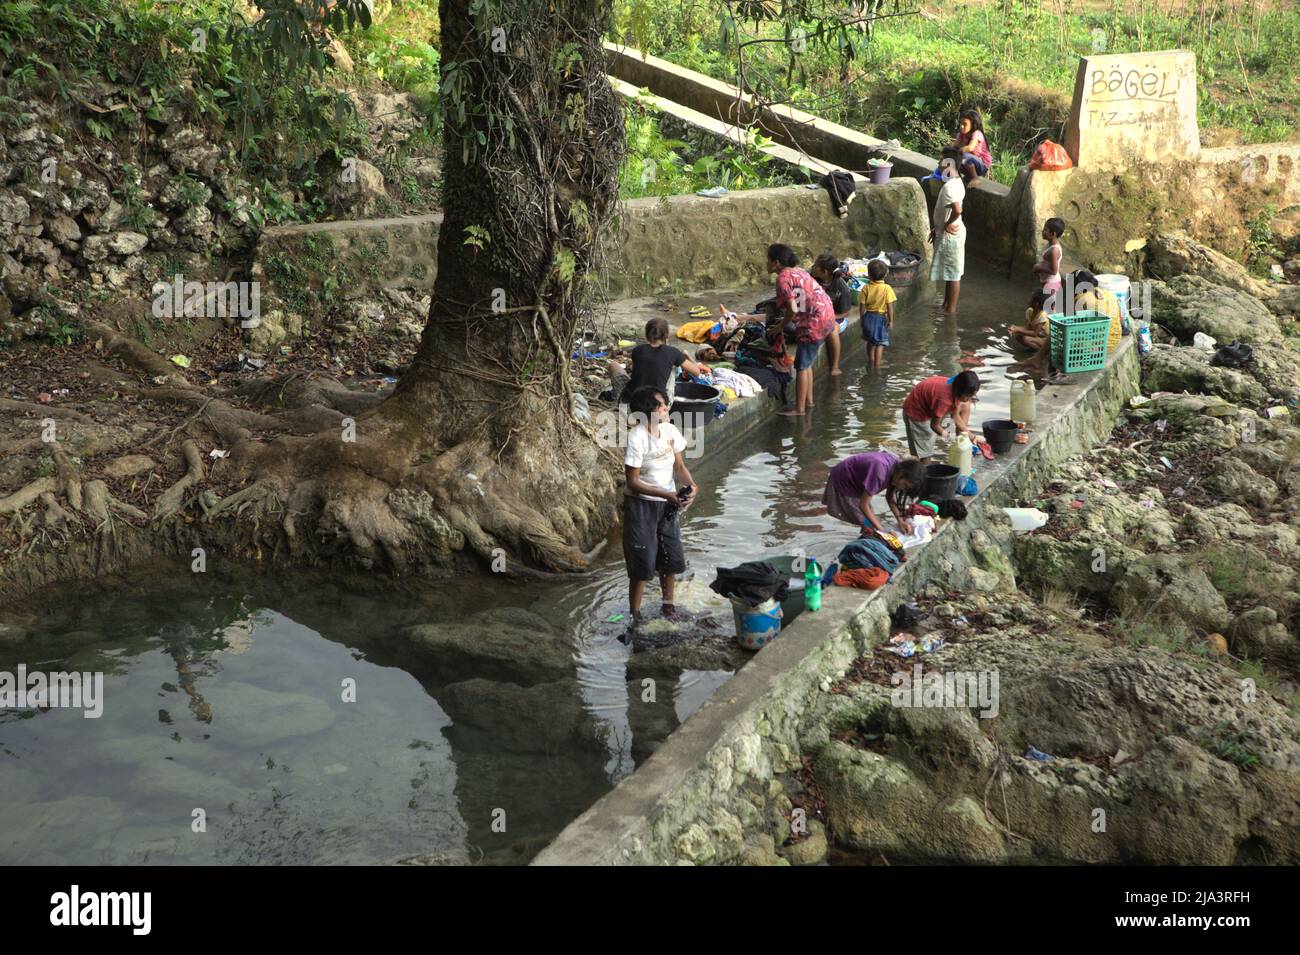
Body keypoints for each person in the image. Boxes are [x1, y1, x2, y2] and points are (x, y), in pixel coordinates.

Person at [622, 385, 698, 622]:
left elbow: (679, 467)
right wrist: (666, 495)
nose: (667, 408)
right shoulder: (636, 437)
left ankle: (668, 606)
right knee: (642, 562)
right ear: (648, 411)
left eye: (665, 404)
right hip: (642, 506)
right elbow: (632, 482)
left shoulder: (670, 431)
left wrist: (693, 486)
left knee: (671, 559)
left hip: (668, 503)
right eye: (661, 406)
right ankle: (635, 614)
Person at [767, 243, 836, 416]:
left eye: (768, 260)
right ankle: (809, 402)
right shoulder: (800, 271)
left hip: (814, 322)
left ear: (775, 263)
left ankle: (799, 410)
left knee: (801, 366)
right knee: (807, 363)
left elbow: (793, 309)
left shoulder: (782, 278)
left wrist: (780, 326)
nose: (766, 264)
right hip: (827, 316)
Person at [823, 451, 928, 536]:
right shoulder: (880, 472)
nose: (902, 489)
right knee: (865, 519)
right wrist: (883, 531)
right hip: (844, 480)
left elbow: (890, 498)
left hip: (857, 479)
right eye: (905, 486)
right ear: (901, 474)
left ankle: (868, 537)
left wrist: (900, 520)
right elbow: (863, 505)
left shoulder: (897, 470)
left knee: (870, 521)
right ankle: (868, 541)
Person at [619, 317, 710, 411]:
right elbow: (697, 372)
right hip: (657, 406)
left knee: (616, 366)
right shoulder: (673, 352)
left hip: (632, 401)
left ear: (647, 336)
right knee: (671, 366)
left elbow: (635, 371)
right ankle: (661, 408)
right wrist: (687, 356)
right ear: (666, 337)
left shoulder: (637, 350)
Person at [902, 370, 980, 460]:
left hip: (929, 405)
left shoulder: (956, 384)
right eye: (968, 396)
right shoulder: (944, 400)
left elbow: (955, 417)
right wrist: (950, 438)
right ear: (960, 391)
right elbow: (934, 425)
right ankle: (924, 470)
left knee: (964, 405)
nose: (970, 399)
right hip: (916, 412)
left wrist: (973, 438)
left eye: (972, 395)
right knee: (924, 453)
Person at [929, 148, 971, 317]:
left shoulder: (949, 188)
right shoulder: (956, 181)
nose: (938, 164)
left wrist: (946, 224)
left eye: (941, 161)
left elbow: (958, 210)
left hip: (951, 236)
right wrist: (938, 228)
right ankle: (947, 305)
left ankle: (950, 311)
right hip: (952, 232)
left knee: (953, 274)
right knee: (950, 272)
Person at [810, 252, 853, 377]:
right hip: (815, 315)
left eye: (816, 266)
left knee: (832, 329)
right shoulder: (811, 279)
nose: (813, 267)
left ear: (825, 272)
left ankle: (834, 366)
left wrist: (828, 317)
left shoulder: (840, 286)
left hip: (837, 318)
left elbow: (846, 312)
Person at [1070, 269, 1124, 355]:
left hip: (1094, 349)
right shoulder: (1110, 294)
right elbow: (1121, 320)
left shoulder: (1081, 299)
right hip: (1114, 343)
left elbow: (1075, 327)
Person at [858, 258, 897, 369]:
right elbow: (890, 306)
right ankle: (877, 365)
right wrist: (891, 320)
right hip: (880, 318)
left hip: (868, 317)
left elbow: (862, 305)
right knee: (880, 343)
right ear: (885, 275)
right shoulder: (887, 288)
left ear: (869, 275)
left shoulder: (866, 287)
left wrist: (862, 319)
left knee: (870, 341)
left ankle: (871, 360)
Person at [953, 108, 992, 180]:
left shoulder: (977, 134)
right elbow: (954, 147)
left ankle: (975, 179)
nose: (961, 126)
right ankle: (957, 178)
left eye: (965, 124)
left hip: (982, 165)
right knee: (951, 156)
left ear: (973, 125)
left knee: (964, 156)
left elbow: (970, 148)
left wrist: (958, 152)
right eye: (961, 123)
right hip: (970, 162)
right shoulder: (961, 134)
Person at [1033, 217, 1064, 301]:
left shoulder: (1054, 250)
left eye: (1045, 230)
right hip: (1047, 281)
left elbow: (1054, 271)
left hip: (1052, 284)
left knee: (1049, 308)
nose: (1042, 231)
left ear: (1053, 234)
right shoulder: (1050, 244)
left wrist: (1039, 267)